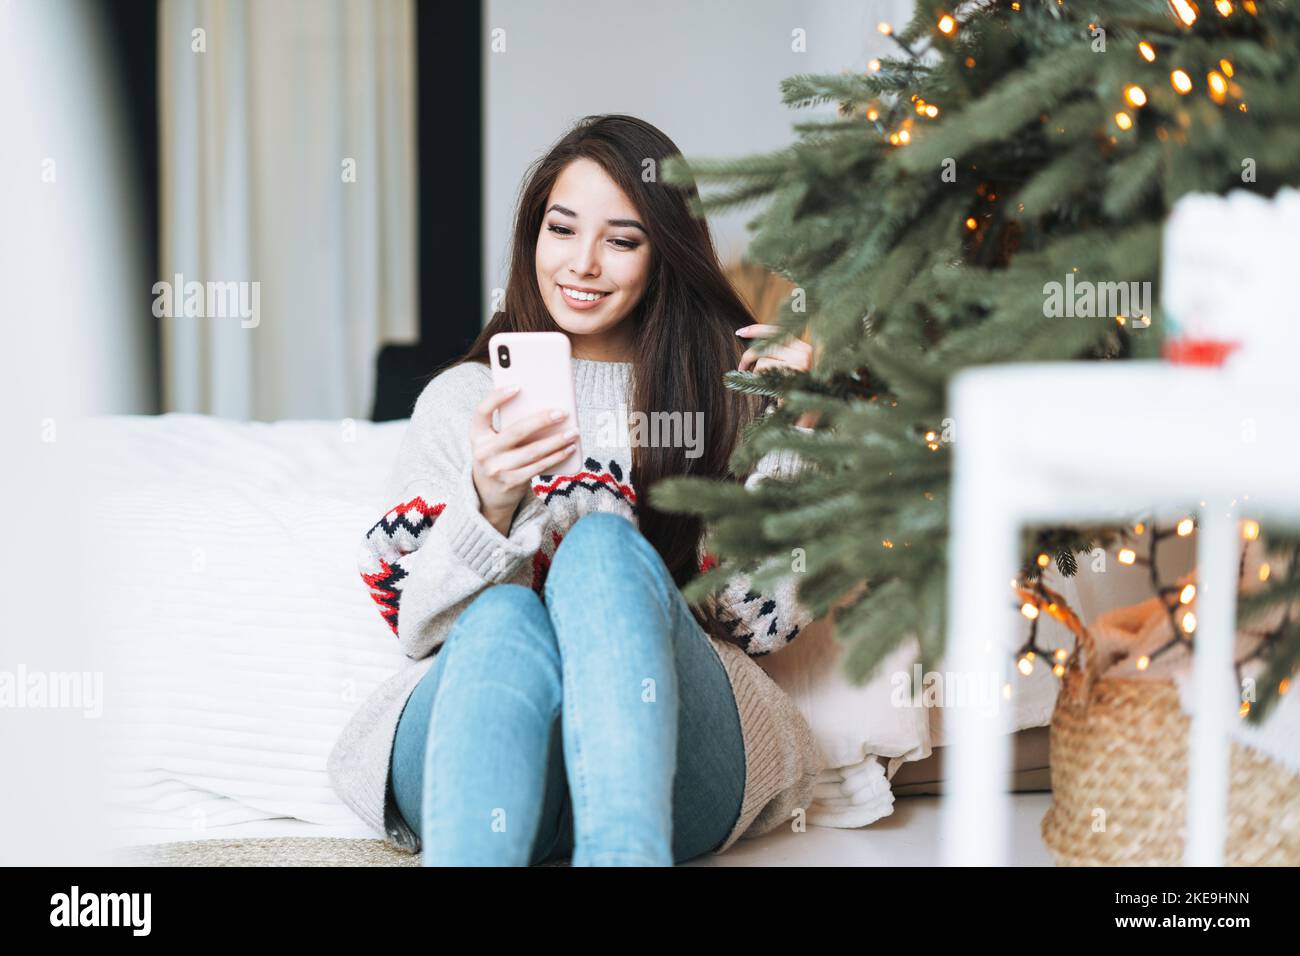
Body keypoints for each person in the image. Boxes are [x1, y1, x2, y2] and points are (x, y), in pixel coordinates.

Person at [327, 113, 823, 866]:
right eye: (562, 229)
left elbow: (762, 626)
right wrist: (489, 506)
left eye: (621, 240)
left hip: (677, 759)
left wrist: (797, 432)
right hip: (481, 748)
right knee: (498, 620)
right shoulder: (464, 402)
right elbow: (418, 626)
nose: (582, 263)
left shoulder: (732, 395)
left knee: (599, 547)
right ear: (533, 237)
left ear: (664, 256)